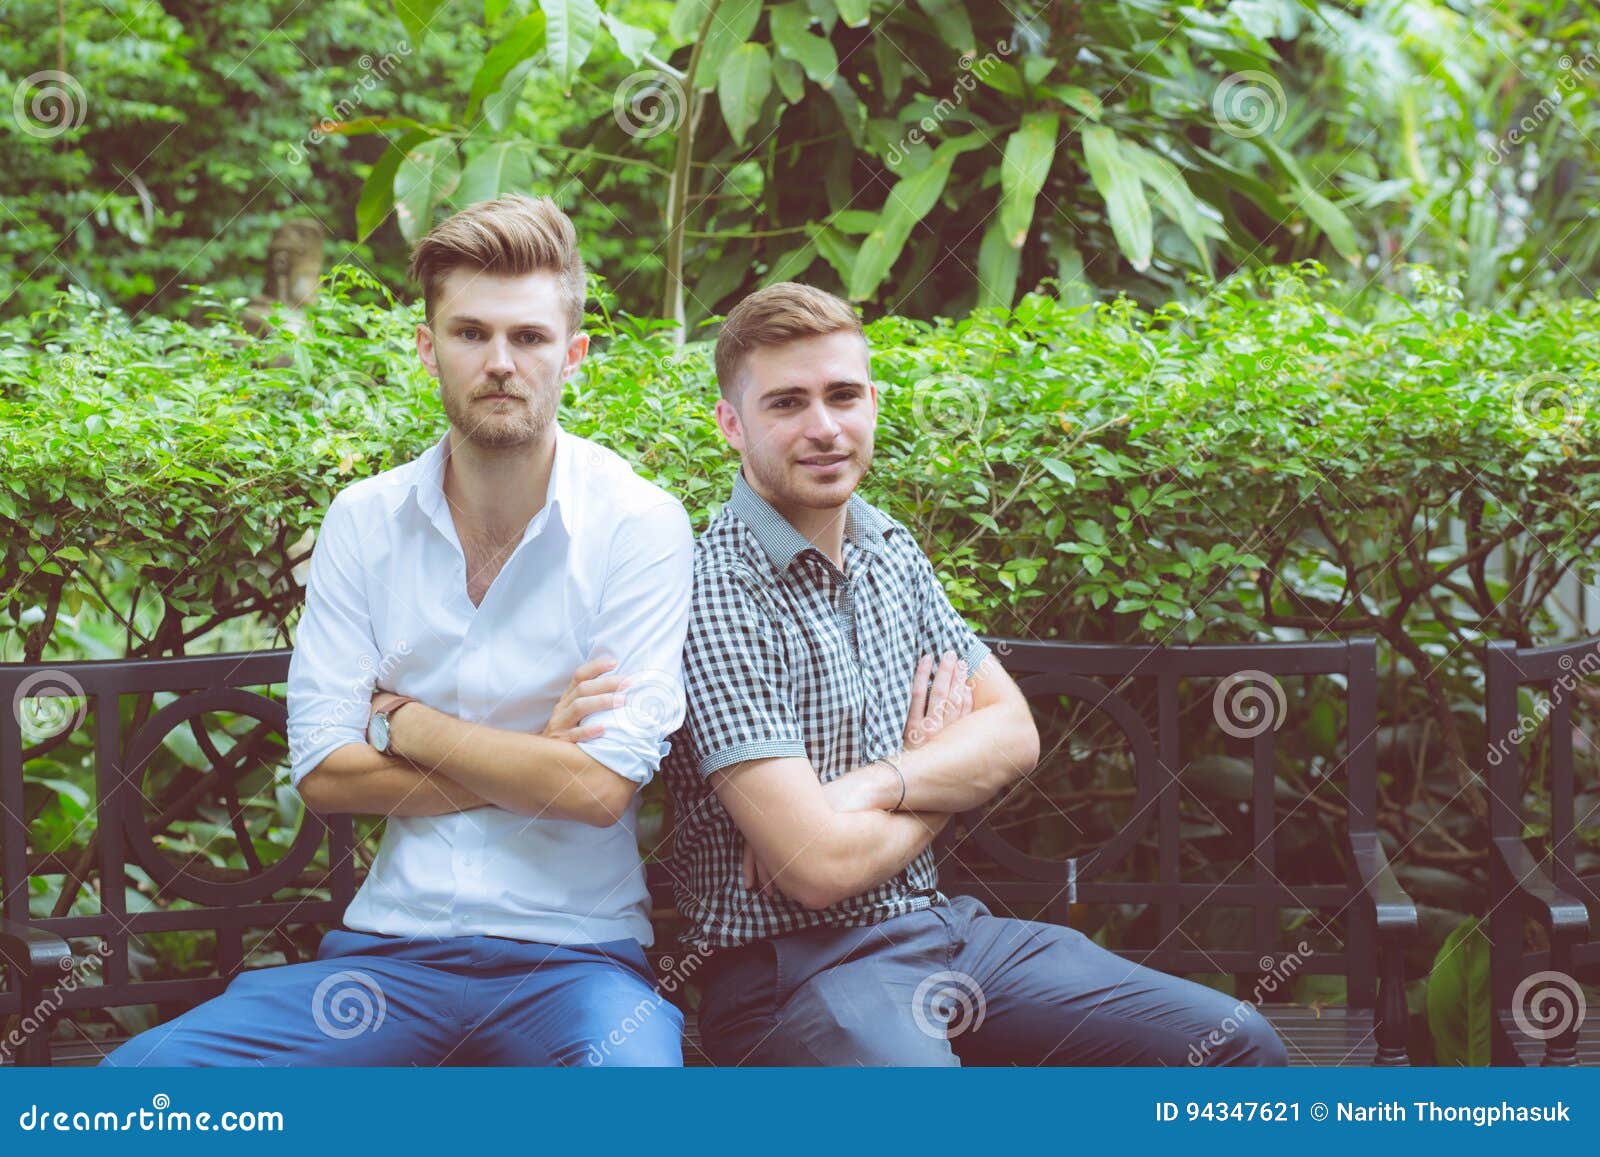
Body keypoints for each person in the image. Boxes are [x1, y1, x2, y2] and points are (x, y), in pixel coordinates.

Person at [103, 195, 692, 1068]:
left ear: (573, 355)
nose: (500, 362)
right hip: (388, 961)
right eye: (470, 333)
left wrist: (407, 725)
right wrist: (538, 755)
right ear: (428, 348)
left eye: (529, 338)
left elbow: (599, 792)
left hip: (575, 966)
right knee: (141, 1086)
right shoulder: (364, 519)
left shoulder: (640, 523)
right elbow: (326, 772)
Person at [662, 282, 1289, 1067]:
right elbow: (813, 869)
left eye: (843, 395)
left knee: (1236, 1045)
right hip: (792, 973)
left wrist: (868, 785)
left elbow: (1013, 731)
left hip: (944, 934)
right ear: (731, 424)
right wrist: (938, 786)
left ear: (873, 403)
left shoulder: (886, 546)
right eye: (787, 403)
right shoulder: (718, 587)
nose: (824, 427)